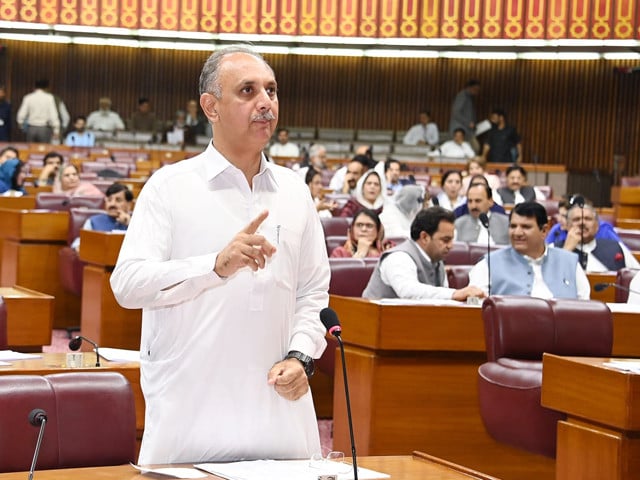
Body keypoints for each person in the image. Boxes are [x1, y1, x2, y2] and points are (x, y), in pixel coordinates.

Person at [110, 45, 330, 465]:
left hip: (278, 408)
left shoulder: (295, 191)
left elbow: (313, 293)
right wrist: (214, 265)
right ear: (210, 106)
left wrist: (303, 354)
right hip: (192, 408)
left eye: (271, 90)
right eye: (248, 91)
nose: (265, 103)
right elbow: (128, 284)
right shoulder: (170, 186)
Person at [468, 202, 590, 299]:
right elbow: (474, 310)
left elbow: (585, 309)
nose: (517, 233)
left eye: (526, 227)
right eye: (513, 226)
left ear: (544, 231)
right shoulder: (488, 264)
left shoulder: (570, 262)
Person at [363, 207, 485, 301]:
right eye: (445, 240)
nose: (450, 246)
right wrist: (454, 294)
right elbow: (408, 291)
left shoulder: (437, 261)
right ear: (425, 237)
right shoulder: (399, 257)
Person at [561, 203, 639, 272]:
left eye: (588, 219)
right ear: (567, 226)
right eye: (576, 219)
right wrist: (566, 250)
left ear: (597, 226)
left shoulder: (617, 248)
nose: (582, 223)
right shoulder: (553, 248)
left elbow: (637, 277)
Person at [71, 183, 133, 250]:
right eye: (109, 200)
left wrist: (129, 224)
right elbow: (78, 243)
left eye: (118, 200)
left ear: (129, 205)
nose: (112, 204)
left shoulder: (136, 223)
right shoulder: (93, 222)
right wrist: (79, 247)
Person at [546, 195, 621, 247]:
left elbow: (619, 251)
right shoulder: (557, 229)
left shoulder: (604, 230)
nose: (559, 220)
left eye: (564, 216)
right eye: (559, 215)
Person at [16, 78, 60, 143]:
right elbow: (53, 115)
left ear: (34, 87)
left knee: (30, 150)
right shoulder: (49, 98)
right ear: (47, 87)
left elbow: (21, 114)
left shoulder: (28, 97)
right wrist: (56, 130)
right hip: (44, 129)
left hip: (31, 128)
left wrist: (20, 123)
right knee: (44, 151)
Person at [449, 79, 480, 147]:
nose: (477, 92)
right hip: (460, 129)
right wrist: (468, 123)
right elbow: (456, 112)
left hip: (466, 130)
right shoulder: (462, 96)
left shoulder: (470, 98)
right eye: (475, 89)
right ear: (469, 87)